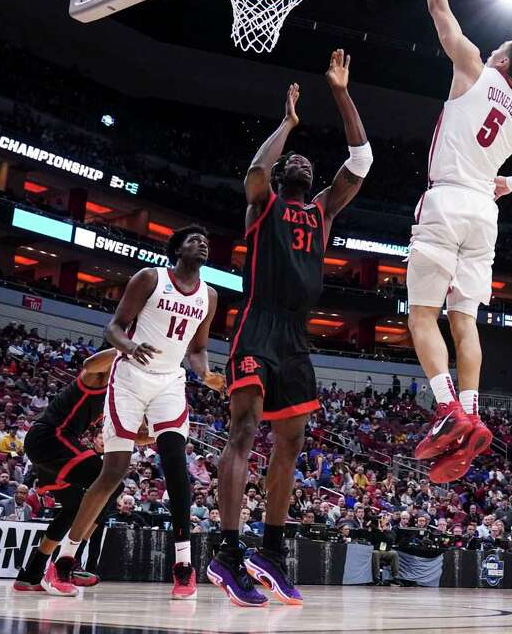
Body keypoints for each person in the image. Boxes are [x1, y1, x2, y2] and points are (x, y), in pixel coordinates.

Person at [210, 51, 372, 608]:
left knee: (293, 441)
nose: (300, 161)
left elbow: (361, 162)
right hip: (258, 324)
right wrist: (287, 124)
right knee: (243, 431)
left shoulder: (323, 211)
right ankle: (227, 551)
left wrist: (341, 94)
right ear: (285, 175)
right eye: (292, 160)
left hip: (297, 337)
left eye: (305, 158)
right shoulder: (264, 206)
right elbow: (254, 173)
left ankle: (270, 550)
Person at [406, 0, 512, 484]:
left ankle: (446, 408)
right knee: (463, 320)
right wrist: (507, 183)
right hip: (485, 215)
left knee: (421, 316)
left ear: (505, 61)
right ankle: (472, 411)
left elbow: (440, 11)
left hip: (445, 202)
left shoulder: (472, 67)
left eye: (503, 44)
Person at [44, 227, 223, 601]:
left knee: (176, 462)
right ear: (177, 249)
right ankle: (63, 560)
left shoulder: (209, 295)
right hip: (128, 378)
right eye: (193, 240)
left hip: (170, 382)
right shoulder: (150, 278)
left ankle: (183, 564)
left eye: (205, 241)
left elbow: (198, 347)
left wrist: (204, 374)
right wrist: (129, 345)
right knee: (113, 471)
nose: (201, 244)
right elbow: (114, 327)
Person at [13, 349, 134, 592]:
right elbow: (90, 363)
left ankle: (30, 574)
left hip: (47, 445)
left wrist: (164, 433)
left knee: (73, 508)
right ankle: (69, 562)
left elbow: (137, 435)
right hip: (51, 436)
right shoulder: (98, 377)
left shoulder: (118, 395)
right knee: (111, 483)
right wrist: (129, 345)